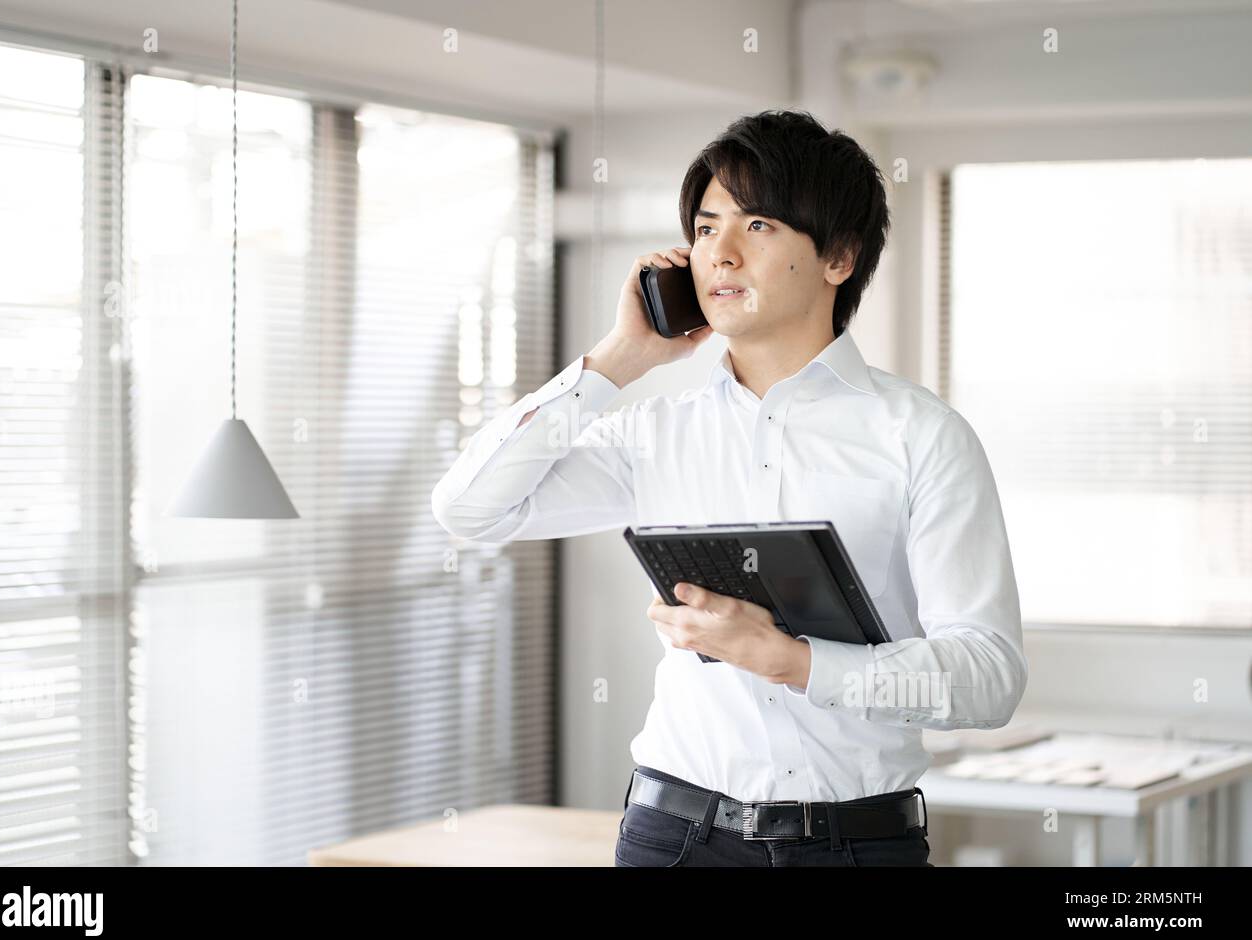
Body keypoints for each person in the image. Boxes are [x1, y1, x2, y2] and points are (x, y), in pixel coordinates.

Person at [431, 109, 1026, 866]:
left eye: (759, 226)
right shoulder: (652, 431)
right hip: (673, 836)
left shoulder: (923, 437)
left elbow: (989, 676)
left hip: (854, 843)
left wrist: (795, 662)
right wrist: (620, 357)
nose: (722, 254)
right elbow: (470, 509)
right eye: (707, 229)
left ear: (839, 256)